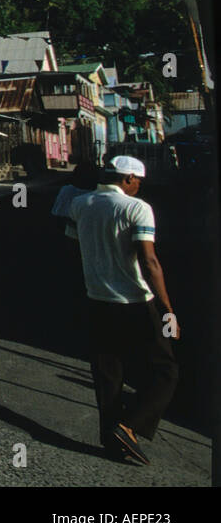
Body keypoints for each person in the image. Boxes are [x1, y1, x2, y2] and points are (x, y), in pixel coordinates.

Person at [66, 155, 179, 465]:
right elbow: (150, 261)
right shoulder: (137, 208)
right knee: (165, 369)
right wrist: (167, 308)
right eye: (138, 181)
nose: (139, 186)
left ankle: (111, 439)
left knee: (108, 372)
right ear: (128, 178)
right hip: (135, 302)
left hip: (97, 299)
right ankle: (129, 426)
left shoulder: (80, 204)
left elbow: (75, 244)